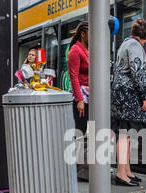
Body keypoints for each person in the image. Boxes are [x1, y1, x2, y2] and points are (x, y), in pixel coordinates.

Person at [111, 18, 146, 187]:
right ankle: (121, 174)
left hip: (120, 94)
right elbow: (138, 73)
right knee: (125, 135)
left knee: (126, 135)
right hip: (129, 95)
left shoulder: (125, 43)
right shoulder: (136, 46)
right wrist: (144, 96)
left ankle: (127, 171)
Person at [67, 21, 89, 181]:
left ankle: (85, 168)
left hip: (90, 95)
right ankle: (78, 170)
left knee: (87, 133)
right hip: (81, 96)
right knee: (80, 133)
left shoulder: (89, 50)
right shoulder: (75, 51)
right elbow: (73, 76)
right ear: (83, 33)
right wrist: (79, 100)